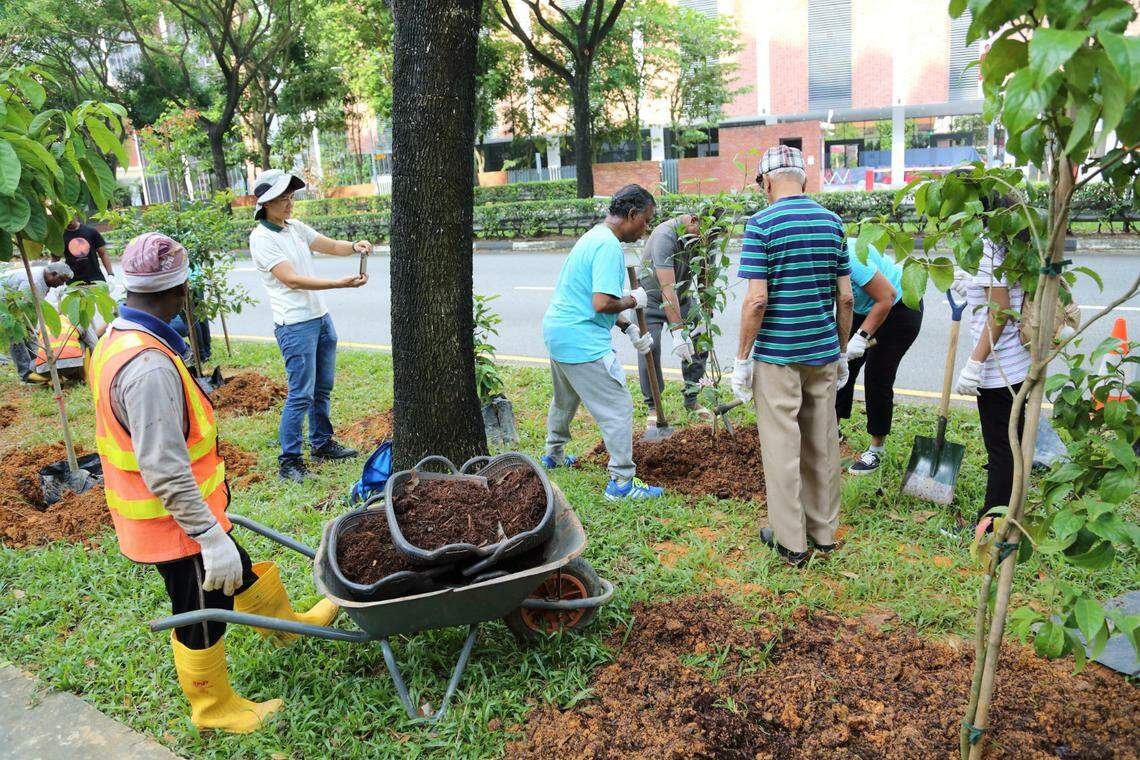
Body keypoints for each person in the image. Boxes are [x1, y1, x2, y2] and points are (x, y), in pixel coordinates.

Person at [89, 232, 338, 734]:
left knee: (234, 568)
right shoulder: (148, 368)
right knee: (203, 606)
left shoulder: (116, 337)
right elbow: (163, 466)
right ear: (182, 290)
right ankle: (213, 707)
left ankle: (288, 628)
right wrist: (205, 534)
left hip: (178, 514)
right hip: (174, 523)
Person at [731, 145, 854, 565]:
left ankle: (791, 542)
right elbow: (846, 297)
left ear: (766, 182)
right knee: (822, 442)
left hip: (778, 356)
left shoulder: (762, 224)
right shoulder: (833, 223)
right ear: (803, 179)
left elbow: (756, 301)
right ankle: (824, 533)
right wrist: (841, 352)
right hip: (823, 352)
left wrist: (742, 359)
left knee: (782, 447)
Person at [541, 184, 665, 501]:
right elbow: (602, 303)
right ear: (632, 214)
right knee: (618, 408)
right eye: (646, 221)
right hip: (581, 340)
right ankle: (622, 484)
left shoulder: (593, 236)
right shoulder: (609, 247)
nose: (646, 229)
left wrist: (628, 327)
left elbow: (588, 296)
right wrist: (633, 300)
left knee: (565, 400)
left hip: (559, 333)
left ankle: (553, 455)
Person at [248, 169, 370, 483]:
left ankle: (322, 443)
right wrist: (339, 284)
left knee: (322, 387)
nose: (290, 203)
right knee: (301, 394)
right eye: (283, 199)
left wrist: (354, 246)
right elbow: (291, 279)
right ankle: (289, 461)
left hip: (320, 319)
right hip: (295, 325)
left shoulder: (295, 228)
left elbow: (330, 246)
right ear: (266, 203)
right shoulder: (261, 238)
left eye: (291, 197)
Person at [953, 198, 1031, 530]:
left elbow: (998, 313)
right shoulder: (1004, 241)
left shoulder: (987, 247)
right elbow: (1002, 296)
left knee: (1001, 450)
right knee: (1010, 446)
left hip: (999, 368)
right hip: (1017, 363)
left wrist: (974, 363)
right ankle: (1009, 515)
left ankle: (991, 527)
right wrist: (970, 283)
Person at [835, 239, 924, 474]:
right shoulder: (813, 258)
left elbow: (887, 296)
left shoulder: (851, 257)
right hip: (861, 308)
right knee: (840, 367)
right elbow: (842, 301)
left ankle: (876, 449)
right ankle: (832, 430)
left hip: (899, 307)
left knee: (877, 376)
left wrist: (862, 337)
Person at [636, 212, 722, 426]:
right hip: (651, 298)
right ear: (693, 220)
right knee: (650, 347)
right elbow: (667, 288)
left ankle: (691, 399)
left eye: (712, 238)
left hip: (682, 298)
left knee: (700, 343)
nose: (707, 241)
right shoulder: (665, 235)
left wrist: (706, 311)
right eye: (705, 235)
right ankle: (653, 405)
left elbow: (705, 277)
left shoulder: (706, 236)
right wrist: (678, 331)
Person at [2, 262, 74, 383]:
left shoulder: (44, 278)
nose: (62, 284)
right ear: (53, 274)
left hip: (13, 305)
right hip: (5, 304)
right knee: (16, 335)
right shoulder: (34, 282)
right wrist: (29, 328)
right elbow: (24, 310)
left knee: (29, 334)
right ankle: (27, 374)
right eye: (62, 280)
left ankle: (40, 368)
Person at [58, 215, 113, 284]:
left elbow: (103, 253)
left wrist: (110, 274)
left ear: (75, 215)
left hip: (95, 279)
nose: (68, 221)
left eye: (69, 217)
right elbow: (55, 259)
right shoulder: (60, 237)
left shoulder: (91, 231)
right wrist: (57, 281)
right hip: (73, 282)